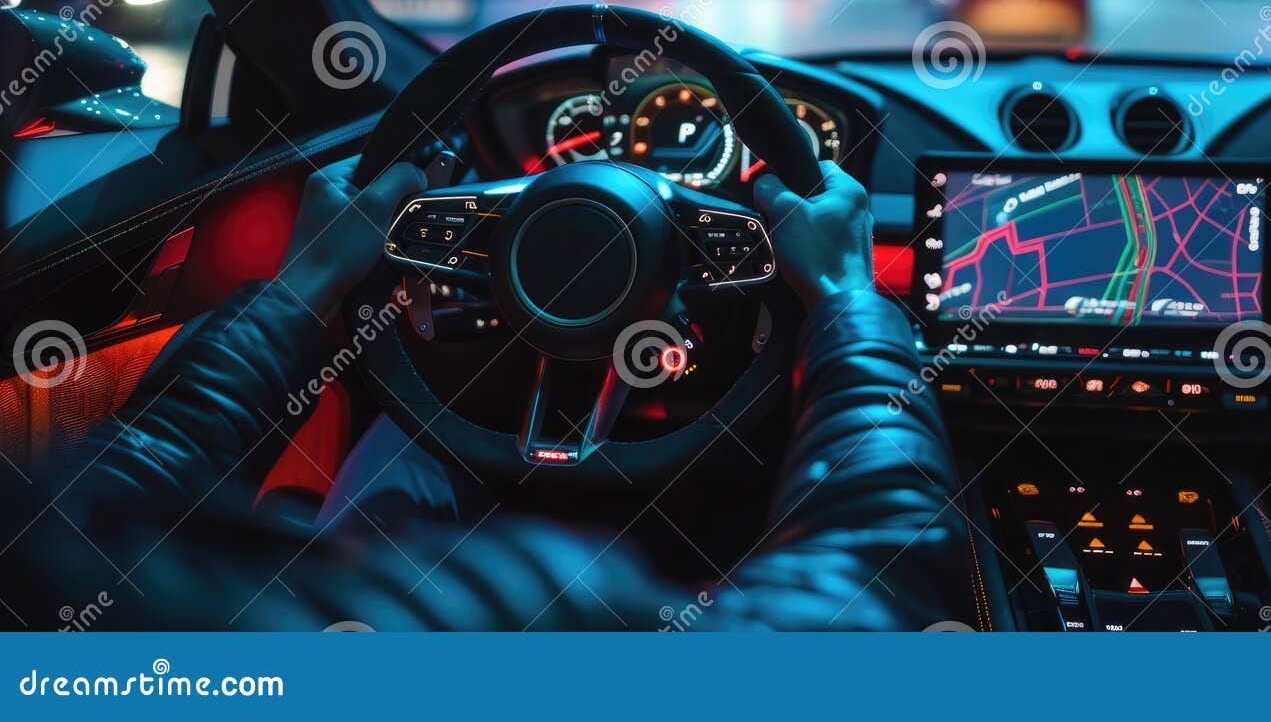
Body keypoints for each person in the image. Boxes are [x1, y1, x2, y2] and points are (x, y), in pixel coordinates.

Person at [0, 158, 967, 631]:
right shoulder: (540, 611)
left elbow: (132, 485)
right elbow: (870, 591)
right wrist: (843, 295)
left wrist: (304, 287)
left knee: (418, 441)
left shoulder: (62, 589)